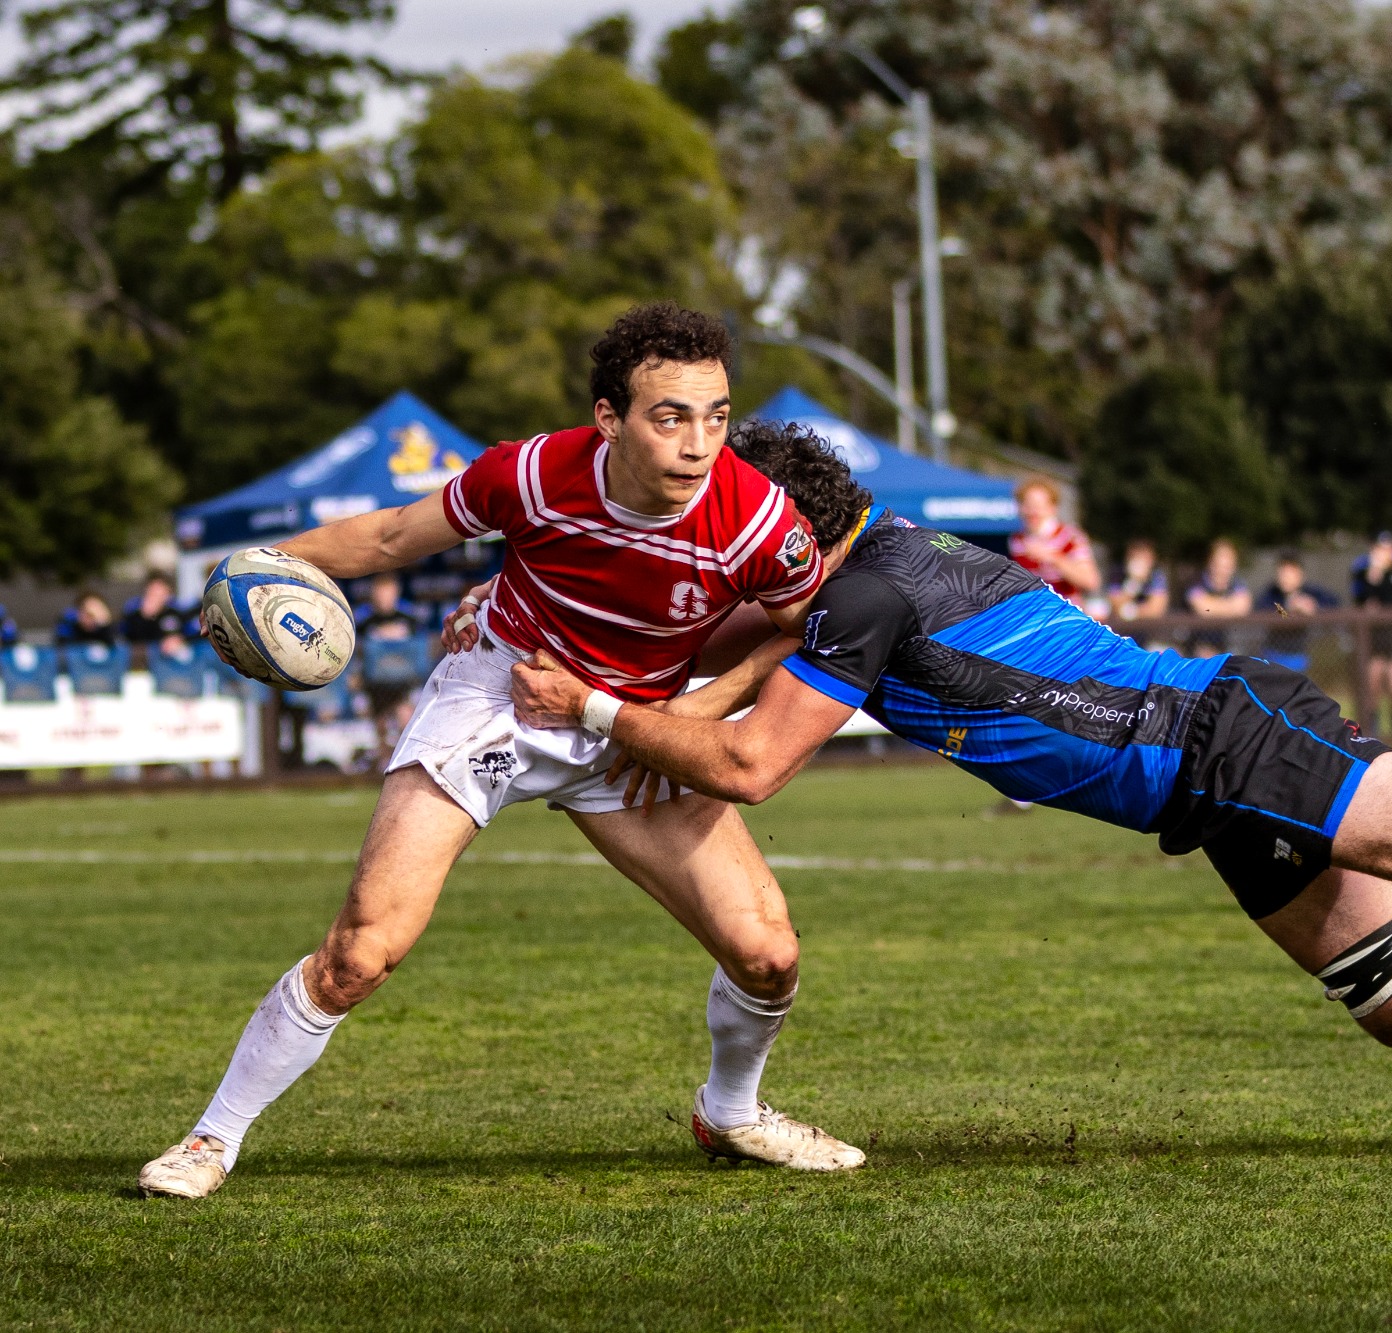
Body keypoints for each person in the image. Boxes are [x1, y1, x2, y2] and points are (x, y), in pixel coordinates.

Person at [510, 429, 1392, 1121]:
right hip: (1209, 788)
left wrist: (601, 705)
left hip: (1230, 738)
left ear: (777, 525)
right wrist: (681, 684)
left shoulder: (859, 600)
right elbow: (764, 642)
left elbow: (751, 768)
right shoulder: (872, 568)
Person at [137, 302, 863, 1202]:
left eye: (715, 415)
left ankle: (732, 1112)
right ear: (610, 419)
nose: (699, 442)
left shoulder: (757, 522)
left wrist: (700, 703)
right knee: (362, 952)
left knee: (768, 955)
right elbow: (395, 536)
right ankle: (210, 1139)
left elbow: (806, 626)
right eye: (669, 416)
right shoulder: (531, 474)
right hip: (498, 700)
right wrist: (261, 563)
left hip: (623, 734)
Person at [1351, 532, 1392, 736]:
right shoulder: (1363, 570)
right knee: (1374, 677)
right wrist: (1374, 576)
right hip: (1374, 633)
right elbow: (1361, 598)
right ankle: (1372, 723)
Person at [354, 572, 428, 757]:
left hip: (403, 682)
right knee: (381, 726)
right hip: (375, 683)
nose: (384, 596)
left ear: (396, 592)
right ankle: (384, 762)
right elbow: (357, 652)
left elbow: (418, 651)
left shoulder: (409, 619)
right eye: (380, 591)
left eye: (388, 591)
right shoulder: (364, 622)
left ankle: (406, 758)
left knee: (405, 720)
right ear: (374, 593)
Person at [1008, 477, 1101, 609]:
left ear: (1052, 508)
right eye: (1028, 505)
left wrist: (1053, 558)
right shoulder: (1017, 541)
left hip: (1065, 616)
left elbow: (1090, 581)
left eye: (1038, 506)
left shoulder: (1070, 537)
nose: (1033, 512)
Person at [1260, 551, 1337, 670]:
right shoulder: (1271, 594)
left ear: (1300, 575)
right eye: (1282, 573)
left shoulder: (1311, 592)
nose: (1285, 577)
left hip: (1301, 655)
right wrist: (1287, 609)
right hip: (1273, 655)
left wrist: (1312, 606)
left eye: (1290, 573)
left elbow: (1333, 603)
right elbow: (1262, 609)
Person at [1185, 537, 1252, 656]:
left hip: (1230, 647)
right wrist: (1230, 606)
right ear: (1210, 563)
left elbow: (1243, 607)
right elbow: (1203, 609)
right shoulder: (1195, 582)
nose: (1222, 571)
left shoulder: (1237, 583)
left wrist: (1214, 605)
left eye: (1227, 566)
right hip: (1197, 649)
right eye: (1218, 565)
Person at [119, 573, 194, 662]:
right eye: (153, 590)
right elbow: (128, 636)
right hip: (143, 659)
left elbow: (191, 632)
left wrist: (180, 640)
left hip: (173, 659)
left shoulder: (176, 612)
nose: (156, 594)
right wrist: (145, 617)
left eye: (160, 589)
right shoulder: (135, 613)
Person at [1106, 538, 1170, 621]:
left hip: (1149, 630)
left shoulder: (1157, 576)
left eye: (1143, 557)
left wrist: (1130, 612)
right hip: (1121, 630)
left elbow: (1156, 610)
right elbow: (1115, 606)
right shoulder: (1118, 576)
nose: (1139, 562)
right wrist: (1134, 582)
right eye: (1135, 557)